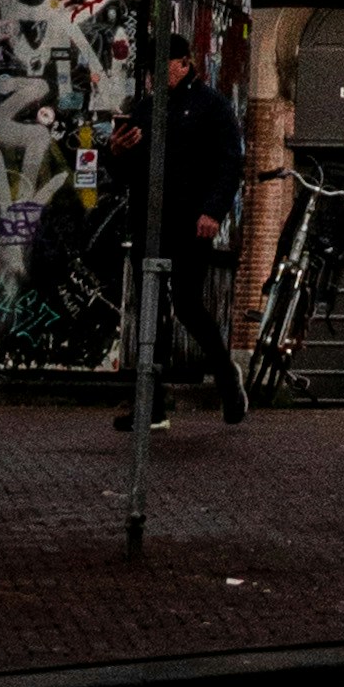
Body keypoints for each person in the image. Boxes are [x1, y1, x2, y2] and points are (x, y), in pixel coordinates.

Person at [103, 39, 252, 426]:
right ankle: (150, 408)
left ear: (184, 64)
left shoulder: (211, 105)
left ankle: (226, 377)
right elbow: (124, 173)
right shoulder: (148, 107)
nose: (154, 73)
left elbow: (230, 161)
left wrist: (212, 211)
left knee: (187, 305)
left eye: (162, 64)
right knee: (150, 311)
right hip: (149, 224)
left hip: (191, 225)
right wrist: (116, 153)